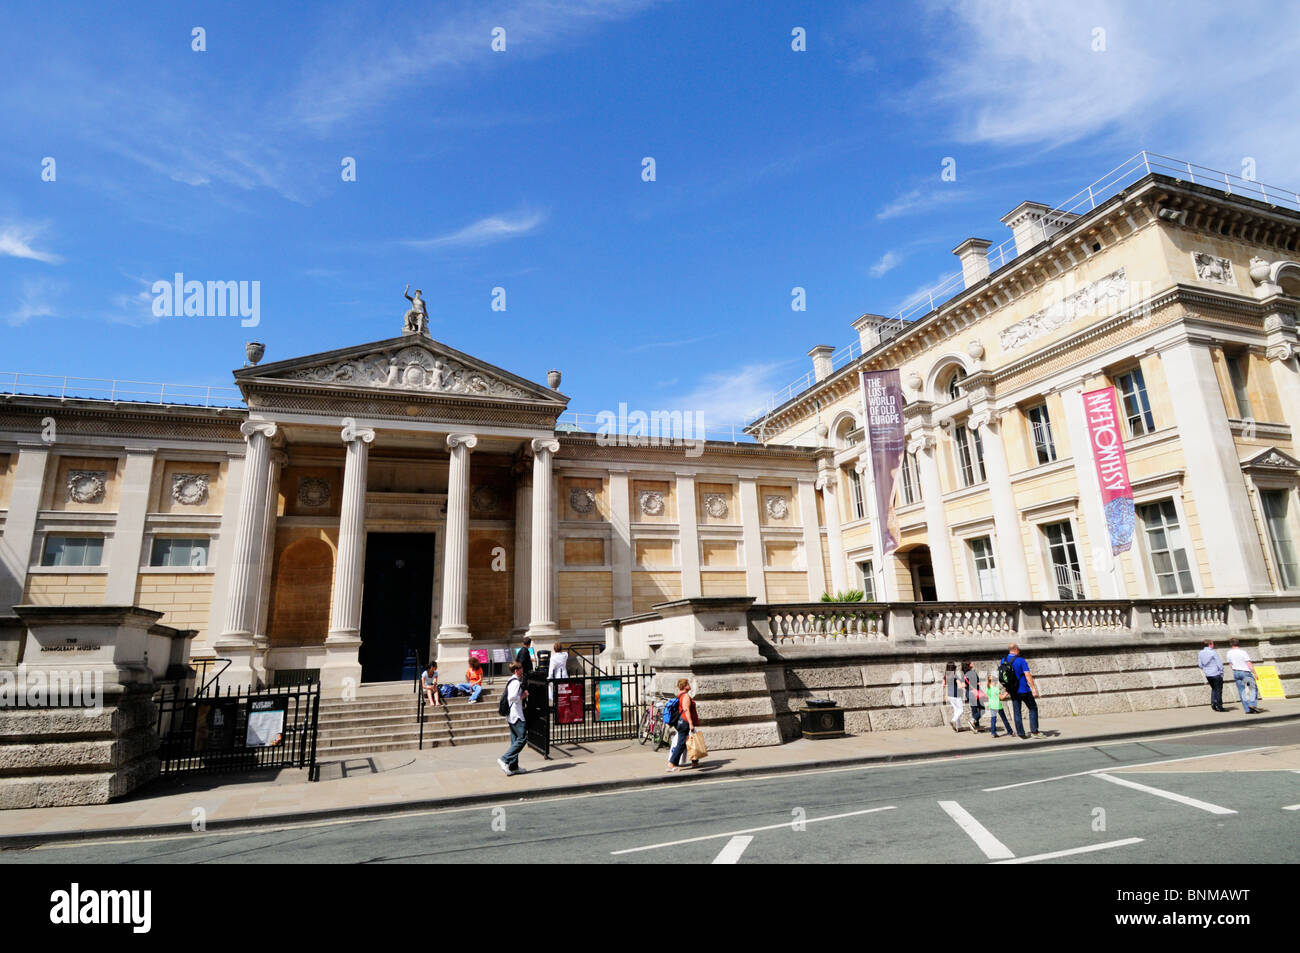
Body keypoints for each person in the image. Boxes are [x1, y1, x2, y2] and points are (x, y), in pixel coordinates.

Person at [1001, 643, 1040, 739]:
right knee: (1033, 708)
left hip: (1013, 690)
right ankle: (1034, 731)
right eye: (1019, 649)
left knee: (1017, 712)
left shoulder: (1003, 660)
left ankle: (1021, 733)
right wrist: (1033, 688)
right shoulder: (1021, 660)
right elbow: (1027, 675)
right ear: (1016, 649)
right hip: (1024, 689)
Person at [497, 661, 528, 775]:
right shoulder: (515, 682)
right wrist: (523, 696)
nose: (522, 670)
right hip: (516, 715)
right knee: (522, 738)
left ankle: (513, 766)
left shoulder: (511, 680)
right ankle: (504, 759)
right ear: (516, 670)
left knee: (515, 739)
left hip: (512, 715)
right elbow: (512, 697)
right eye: (520, 669)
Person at [666, 678, 700, 772]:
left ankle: (695, 761)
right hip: (684, 722)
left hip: (680, 722)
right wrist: (691, 723)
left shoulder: (679, 695)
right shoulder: (685, 696)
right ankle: (671, 763)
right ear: (685, 686)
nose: (690, 685)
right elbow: (686, 710)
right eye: (688, 684)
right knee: (681, 743)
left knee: (690, 740)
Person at [1225, 638, 1261, 714]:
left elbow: (1230, 665)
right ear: (1238, 643)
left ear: (1231, 644)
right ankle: (1252, 705)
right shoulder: (1243, 652)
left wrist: (1236, 669)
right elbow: (1249, 664)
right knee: (1252, 689)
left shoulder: (1229, 653)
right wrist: (1254, 673)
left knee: (1242, 691)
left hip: (1236, 672)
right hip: (1245, 672)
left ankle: (1247, 709)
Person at [1197, 639, 1227, 712]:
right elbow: (1219, 664)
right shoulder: (1213, 652)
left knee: (1214, 689)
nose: (1213, 645)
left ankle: (1213, 703)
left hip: (1208, 675)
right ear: (1210, 644)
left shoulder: (1200, 653)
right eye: (1213, 644)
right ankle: (1220, 706)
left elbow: (1200, 665)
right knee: (1219, 690)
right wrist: (1221, 671)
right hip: (1216, 673)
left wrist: (1206, 670)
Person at [986, 670, 1013, 738]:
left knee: (993, 720)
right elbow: (1001, 698)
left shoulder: (988, 688)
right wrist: (1007, 692)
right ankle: (1010, 731)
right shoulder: (996, 689)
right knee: (1004, 719)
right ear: (994, 682)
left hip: (992, 706)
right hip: (998, 706)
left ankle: (993, 732)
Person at [942, 662, 964, 732]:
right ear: (953, 668)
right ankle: (953, 720)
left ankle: (959, 726)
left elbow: (943, 685)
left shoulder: (946, 675)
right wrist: (964, 684)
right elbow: (960, 685)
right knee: (961, 710)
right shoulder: (954, 676)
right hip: (956, 695)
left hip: (950, 695)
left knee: (956, 710)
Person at [963, 660, 983, 732]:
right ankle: (972, 720)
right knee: (982, 709)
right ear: (968, 665)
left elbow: (965, 685)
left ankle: (976, 726)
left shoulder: (964, 674)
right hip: (974, 693)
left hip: (968, 693)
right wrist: (978, 683)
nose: (972, 663)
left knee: (974, 710)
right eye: (971, 662)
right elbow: (977, 683)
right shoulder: (972, 673)